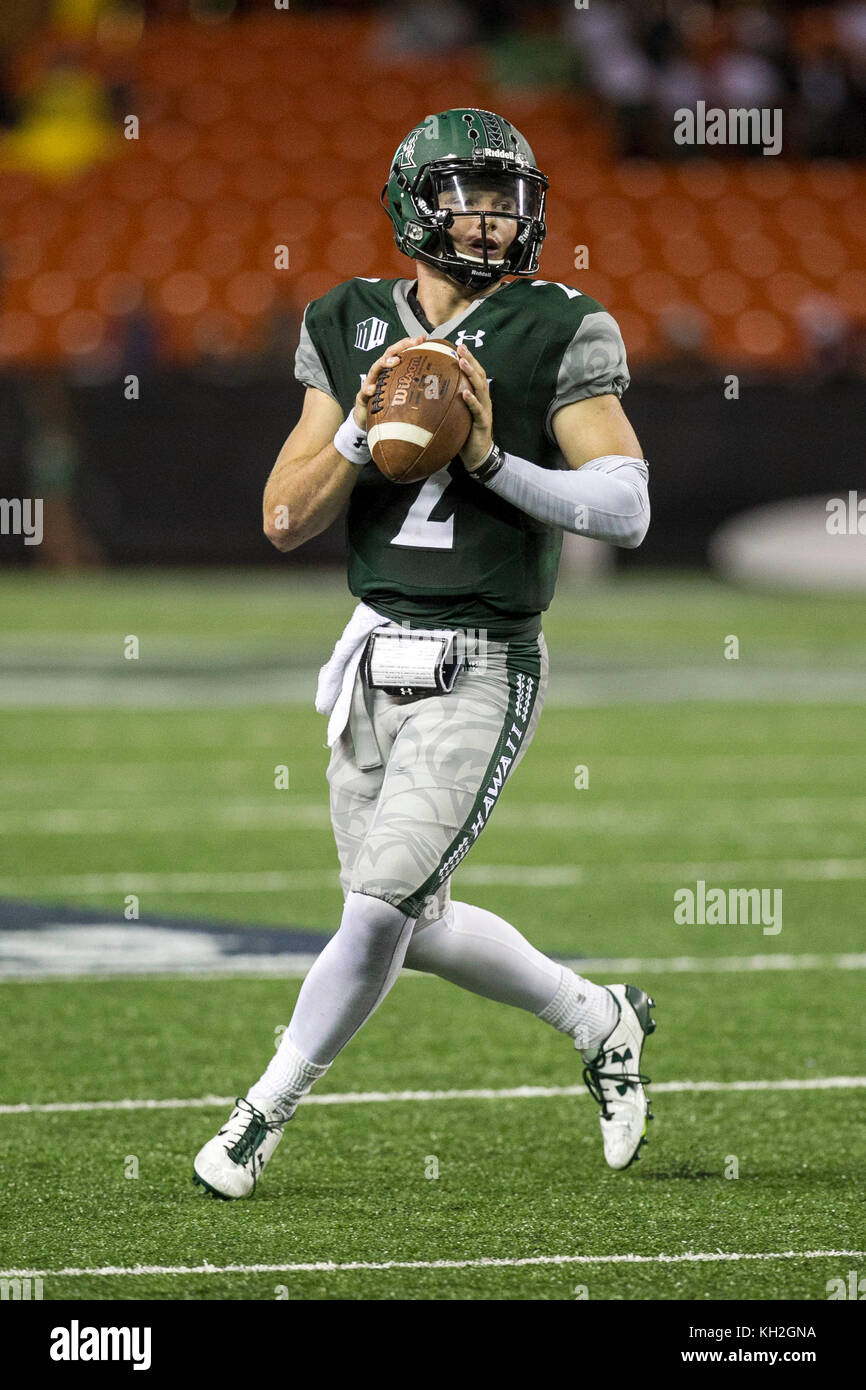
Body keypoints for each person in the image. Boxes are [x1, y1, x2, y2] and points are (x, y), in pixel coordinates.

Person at [193, 107, 655, 1199]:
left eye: (506, 198)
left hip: (484, 657)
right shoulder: (347, 321)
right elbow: (283, 515)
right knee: (416, 922)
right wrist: (360, 432)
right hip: (369, 656)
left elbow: (625, 506)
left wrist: (488, 458)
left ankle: (258, 1115)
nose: (491, 219)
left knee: (377, 908)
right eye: (468, 195)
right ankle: (598, 1016)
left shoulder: (562, 327)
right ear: (413, 205)